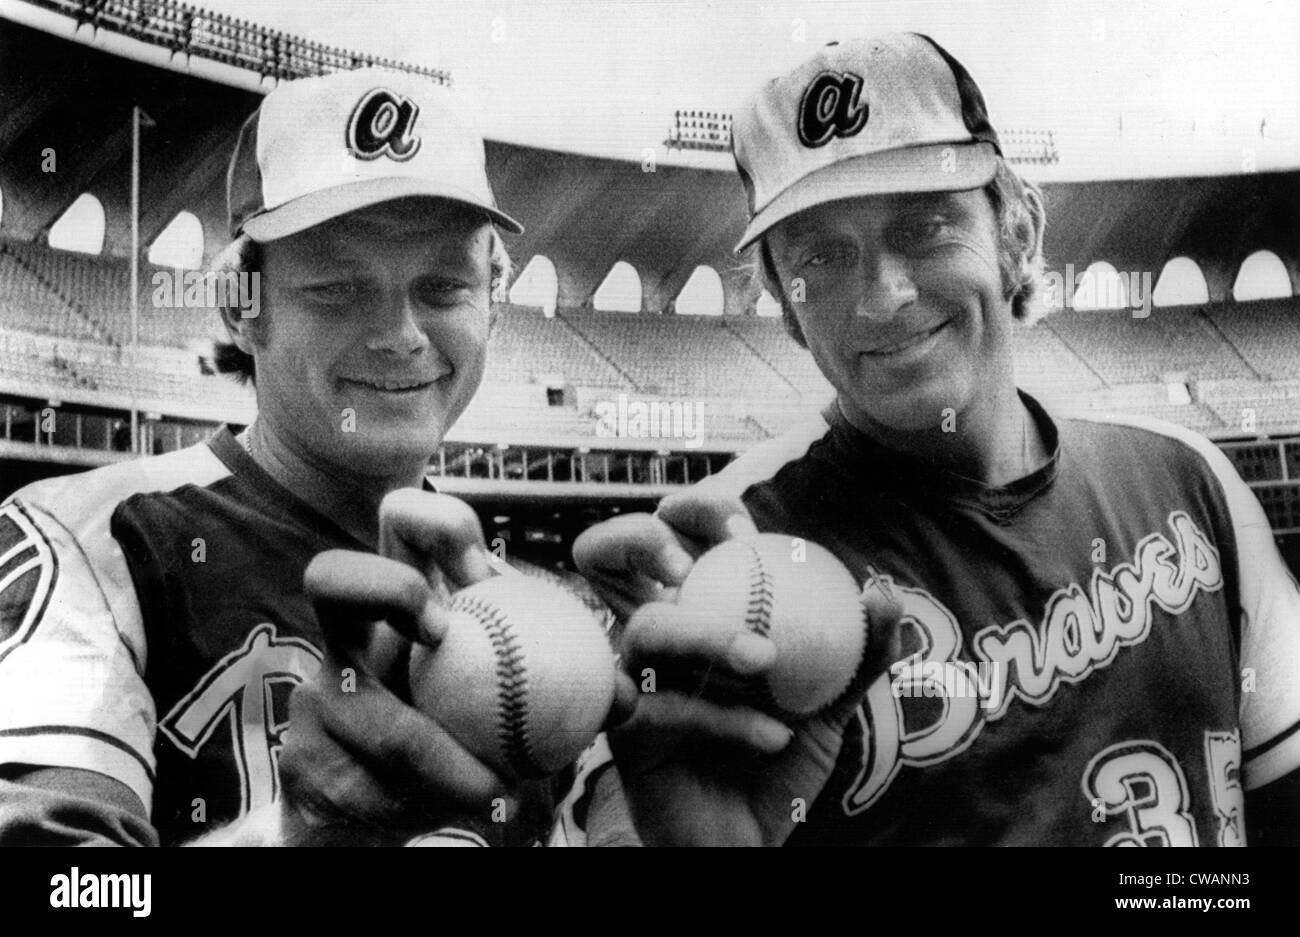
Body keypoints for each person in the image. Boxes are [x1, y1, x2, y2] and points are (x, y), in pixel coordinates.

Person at [571, 33, 1300, 846]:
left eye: (925, 226)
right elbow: (622, 819)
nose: (883, 296)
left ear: (1016, 231)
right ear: (783, 301)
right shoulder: (719, 554)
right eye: (824, 256)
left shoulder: (1189, 481)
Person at [0, 67, 605, 846]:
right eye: (338, 288)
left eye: (443, 287)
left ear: (494, 299)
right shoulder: (90, 538)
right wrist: (293, 833)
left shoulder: (521, 623)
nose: (402, 333)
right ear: (243, 307)